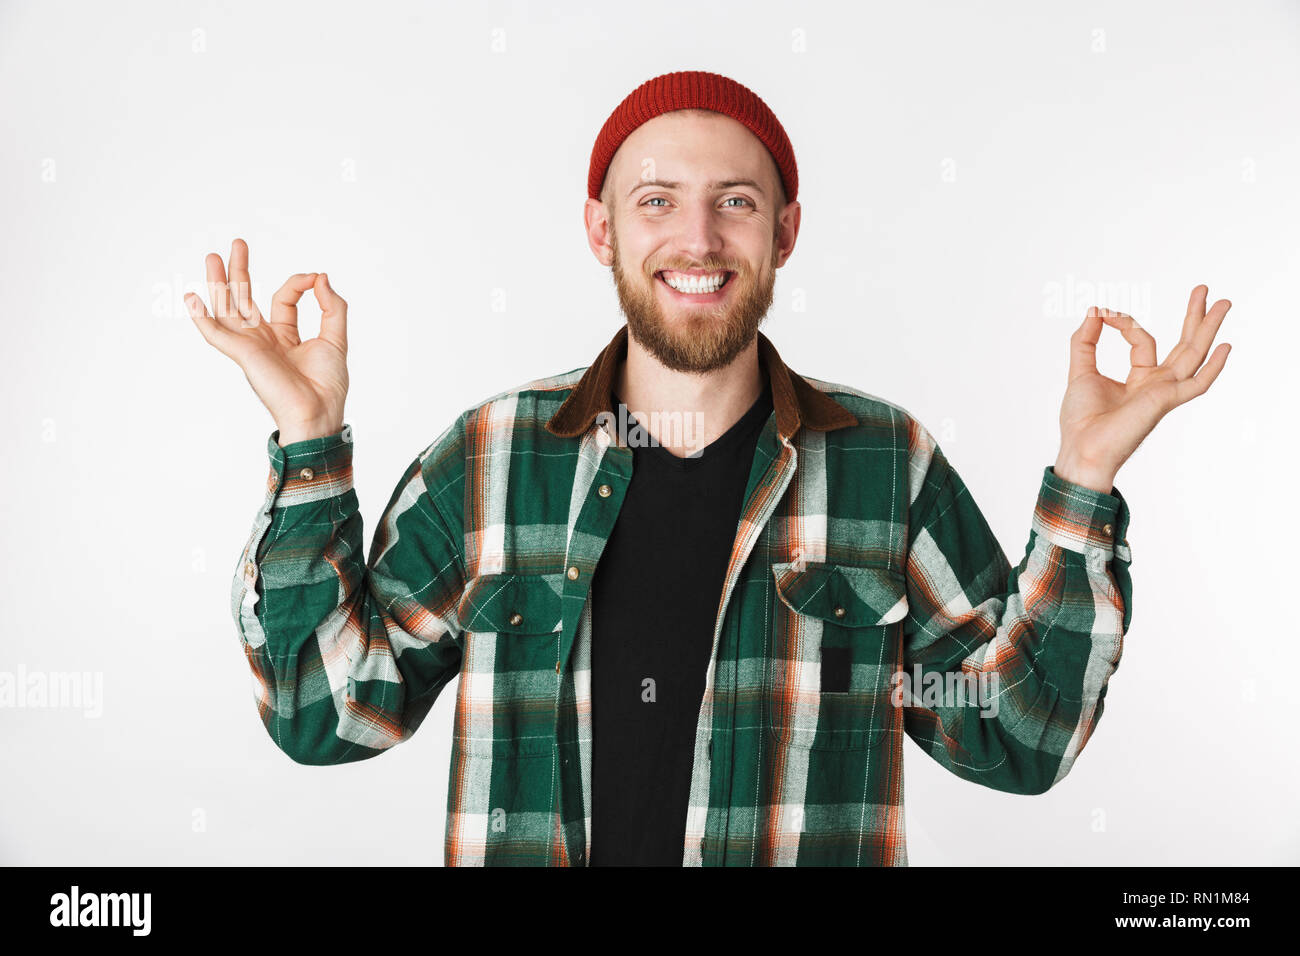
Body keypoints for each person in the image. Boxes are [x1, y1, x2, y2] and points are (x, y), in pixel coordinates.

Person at [185, 70, 1232, 866]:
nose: (696, 236)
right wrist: (310, 436)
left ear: (784, 231)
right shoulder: (488, 459)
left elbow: (1021, 736)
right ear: (600, 229)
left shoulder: (883, 463)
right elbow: (326, 714)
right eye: (655, 201)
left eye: (734, 201)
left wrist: (1085, 477)